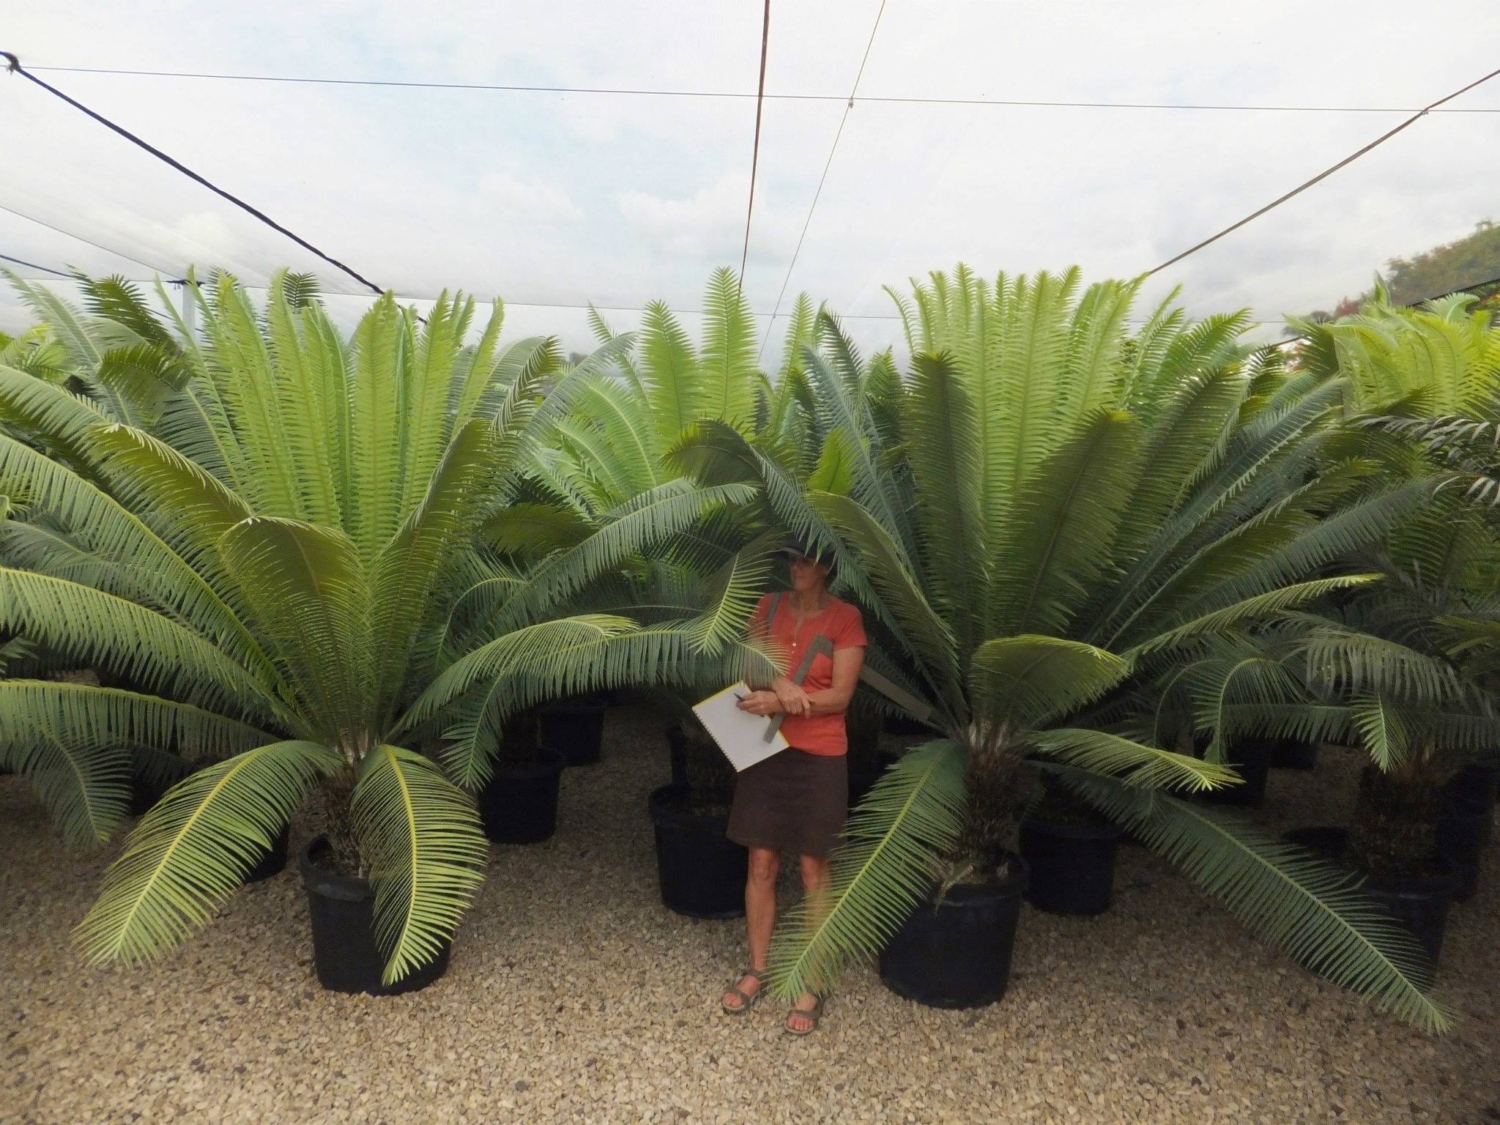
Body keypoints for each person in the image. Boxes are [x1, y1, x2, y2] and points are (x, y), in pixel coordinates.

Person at [719, 544, 866, 1035]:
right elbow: (749, 662)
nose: (796, 567)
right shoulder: (767, 607)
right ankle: (758, 969)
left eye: (805, 560)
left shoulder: (845, 619)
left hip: (821, 756)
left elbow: (840, 696)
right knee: (760, 862)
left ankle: (813, 980)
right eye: (792, 560)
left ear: (826, 567)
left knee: (812, 869)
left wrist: (785, 700)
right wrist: (780, 683)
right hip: (767, 748)